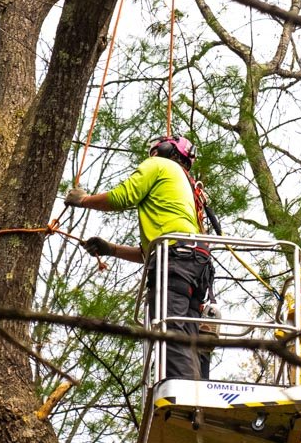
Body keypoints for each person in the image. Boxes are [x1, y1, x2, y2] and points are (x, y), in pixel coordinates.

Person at [64, 134, 218, 382]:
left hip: (175, 259)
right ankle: (196, 394)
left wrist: (83, 200)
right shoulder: (185, 188)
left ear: (164, 151)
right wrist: (111, 249)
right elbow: (149, 252)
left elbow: (122, 196)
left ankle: (184, 399)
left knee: (172, 331)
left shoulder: (160, 165)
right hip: (193, 263)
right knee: (186, 335)